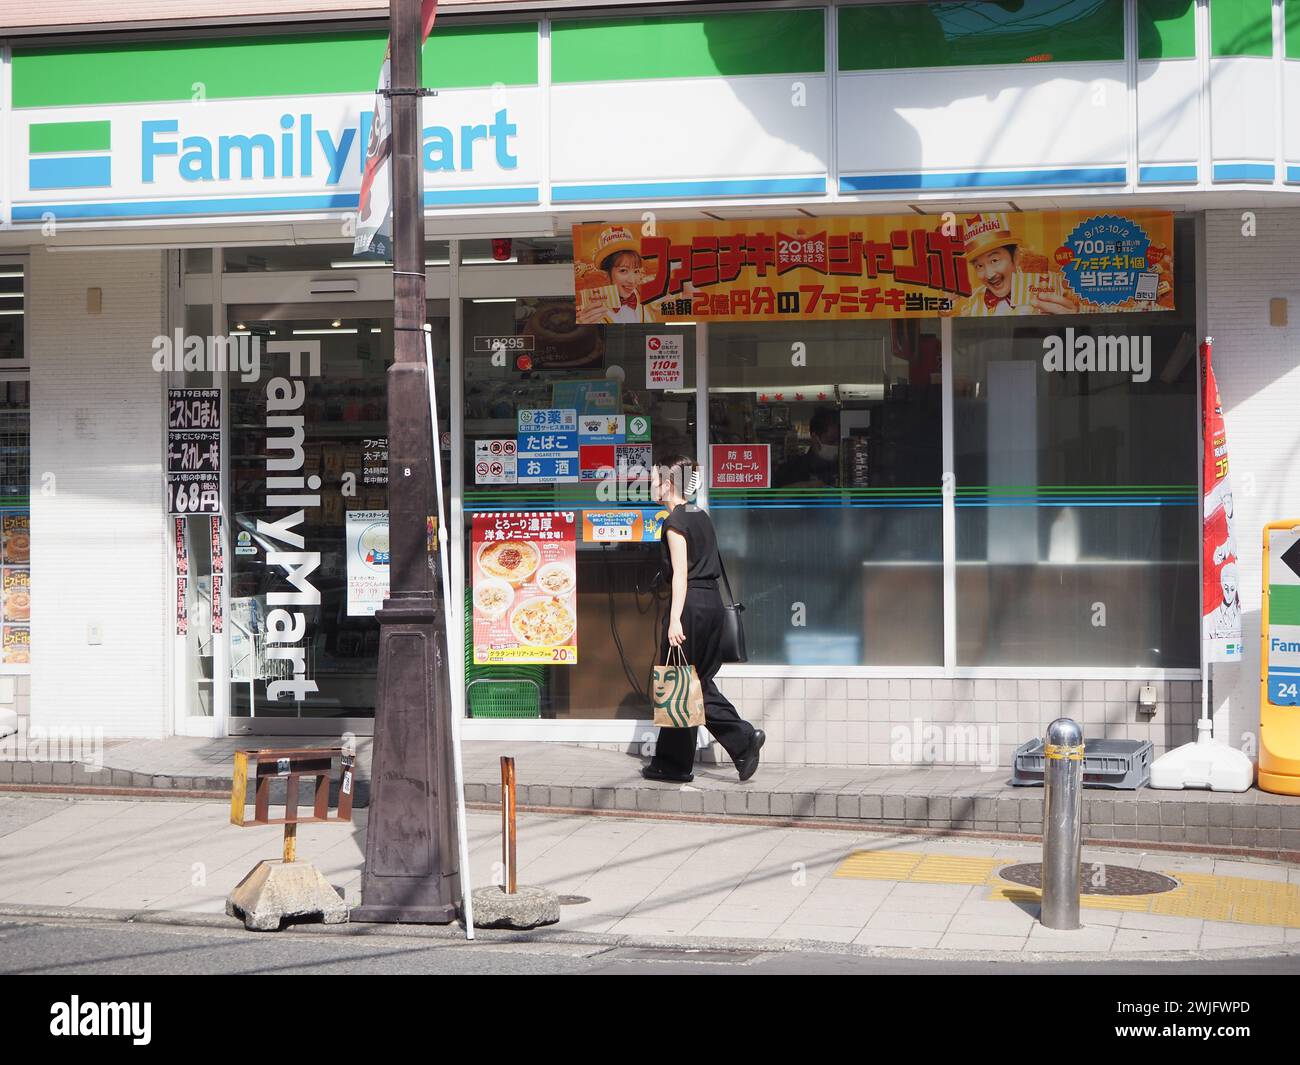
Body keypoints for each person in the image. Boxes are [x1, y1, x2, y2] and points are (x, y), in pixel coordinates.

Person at [643, 453, 764, 783]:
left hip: (690, 607)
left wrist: (674, 620)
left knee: (683, 683)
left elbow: (680, 574)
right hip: (711, 605)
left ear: (668, 484)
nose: (650, 485)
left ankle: (738, 738)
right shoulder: (699, 514)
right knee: (690, 681)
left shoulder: (675, 523)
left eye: (654, 480)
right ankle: (675, 762)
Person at [955, 212, 1079, 317]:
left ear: (1016, 257)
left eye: (994, 260)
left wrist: (1073, 318)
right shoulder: (972, 303)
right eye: (979, 266)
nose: (989, 274)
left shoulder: (1052, 286)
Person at [576, 225, 660, 325]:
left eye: (636, 271)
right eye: (623, 271)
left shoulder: (647, 296)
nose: (632, 281)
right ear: (606, 273)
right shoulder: (589, 306)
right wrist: (581, 326)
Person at [773, 406, 840, 488]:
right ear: (815, 438)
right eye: (831, 441)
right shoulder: (791, 469)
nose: (837, 446)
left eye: (840, 442)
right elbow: (775, 498)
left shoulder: (848, 469)